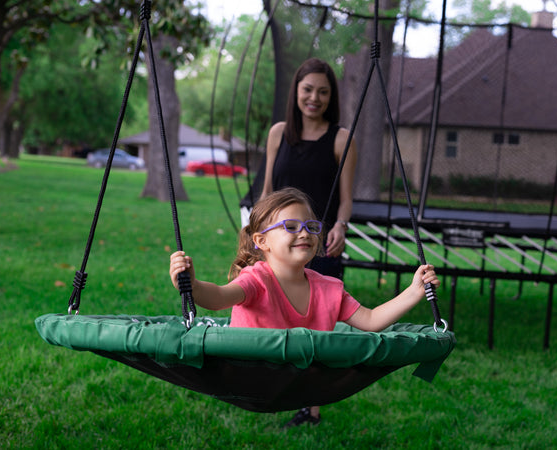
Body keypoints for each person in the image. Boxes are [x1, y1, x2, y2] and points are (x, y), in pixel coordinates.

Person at [169, 187, 439, 428]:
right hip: (251, 375)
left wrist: (414, 292)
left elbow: (370, 320)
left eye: (311, 226)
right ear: (261, 241)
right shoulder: (257, 279)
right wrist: (191, 284)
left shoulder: (329, 288)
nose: (305, 233)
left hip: (301, 382)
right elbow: (218, 297)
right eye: (291, 226)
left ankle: (309, 412)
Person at [259, 57, 357, 280]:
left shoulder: (342, 140)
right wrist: (255, 229)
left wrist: (340, 227)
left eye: (323, 92)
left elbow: (346, 200)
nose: (314, 98)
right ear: (296, 91)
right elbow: (267, 192)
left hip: (318, 244)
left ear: (331, 97)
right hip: (278, 243)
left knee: (317, 311)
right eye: (308, 89)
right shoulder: (278, 133)